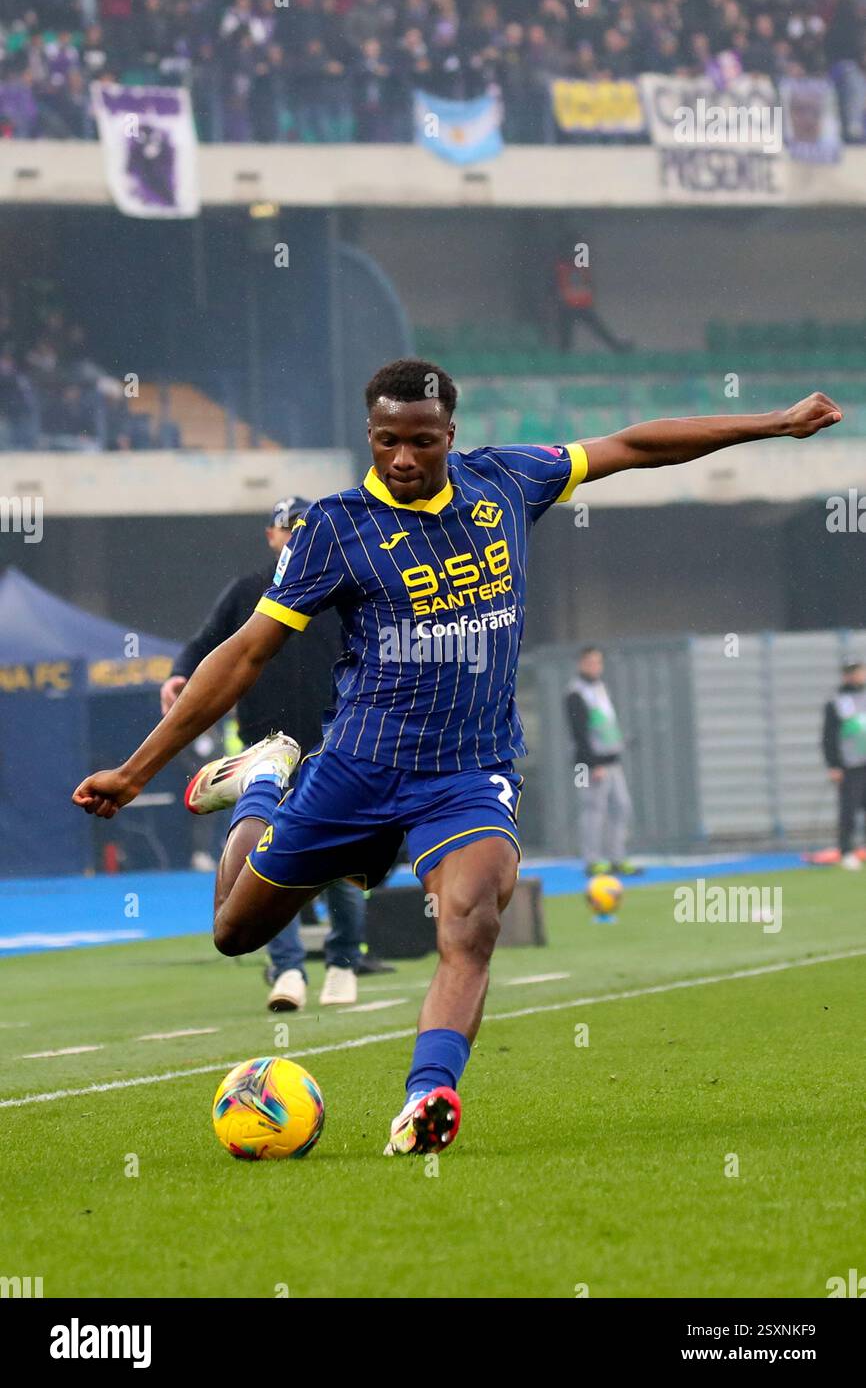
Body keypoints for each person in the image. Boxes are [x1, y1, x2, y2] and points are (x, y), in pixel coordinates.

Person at [73, 362, 842, 1157]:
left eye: (420, 442)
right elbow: (241, 657)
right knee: (234, 933)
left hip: (467, 772)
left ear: (451, 435)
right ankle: (265, 782)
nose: (401, 458)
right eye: (384, 442)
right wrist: (137, 773)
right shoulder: (334, 529)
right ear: (368, 436)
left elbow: (631, 445)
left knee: (471, 921)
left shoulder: (508, 481)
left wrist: (771, 425)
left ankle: (426, 1097)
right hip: (357, 769)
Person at [160, 497, 390, 1011]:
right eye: (283, 529)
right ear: (269, 535)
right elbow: (208, 643)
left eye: (300, 528)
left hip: (336, 742)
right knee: (260, 859)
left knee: (337, 858)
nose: (290, 536)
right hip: (263, 749)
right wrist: (180, 671)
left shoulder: (341, 586)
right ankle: (287, 969)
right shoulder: (247, 591)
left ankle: (342, 963)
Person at [565, 645, 641, 878]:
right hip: (589, 763)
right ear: (581, 664)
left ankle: (617, 857)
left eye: (598, 662)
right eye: (590, 662)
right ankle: (593, 860)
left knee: (621, 807)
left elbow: (604, 725)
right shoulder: (575, 693)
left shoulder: (600, 688)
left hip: (611, 760)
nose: (595, 666)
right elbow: (578, 732)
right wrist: (592, 763)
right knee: (592, 811)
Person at [822, 658, 866, 870]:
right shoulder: (837, 702)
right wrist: (833, 765)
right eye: (854, 672)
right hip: (850, 764)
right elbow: (828, 736)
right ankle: (846, 851)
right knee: (849, 809)